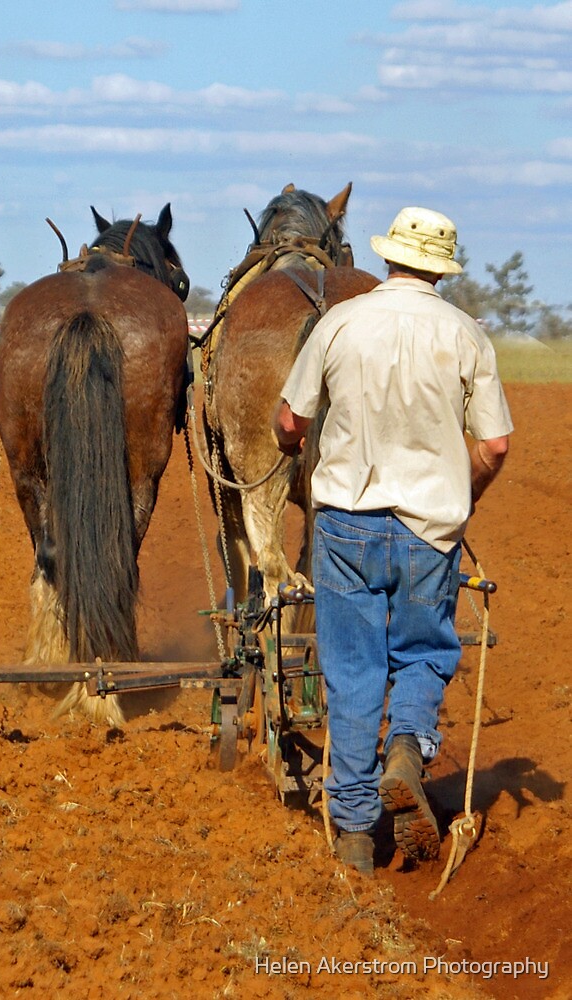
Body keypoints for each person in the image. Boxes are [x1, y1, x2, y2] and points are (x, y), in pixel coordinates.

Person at [272, 206, 513, 877]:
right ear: (441, 270)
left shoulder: (340, 323)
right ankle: (407, 745)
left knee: (353, 671)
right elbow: (495, 444)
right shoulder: (466, 335)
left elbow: (291, 421)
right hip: (428, 530)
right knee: (425, 654)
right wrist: (462, 495)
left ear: (388, 258)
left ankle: (354, 833)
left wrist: (289, 442)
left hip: (346, 523)